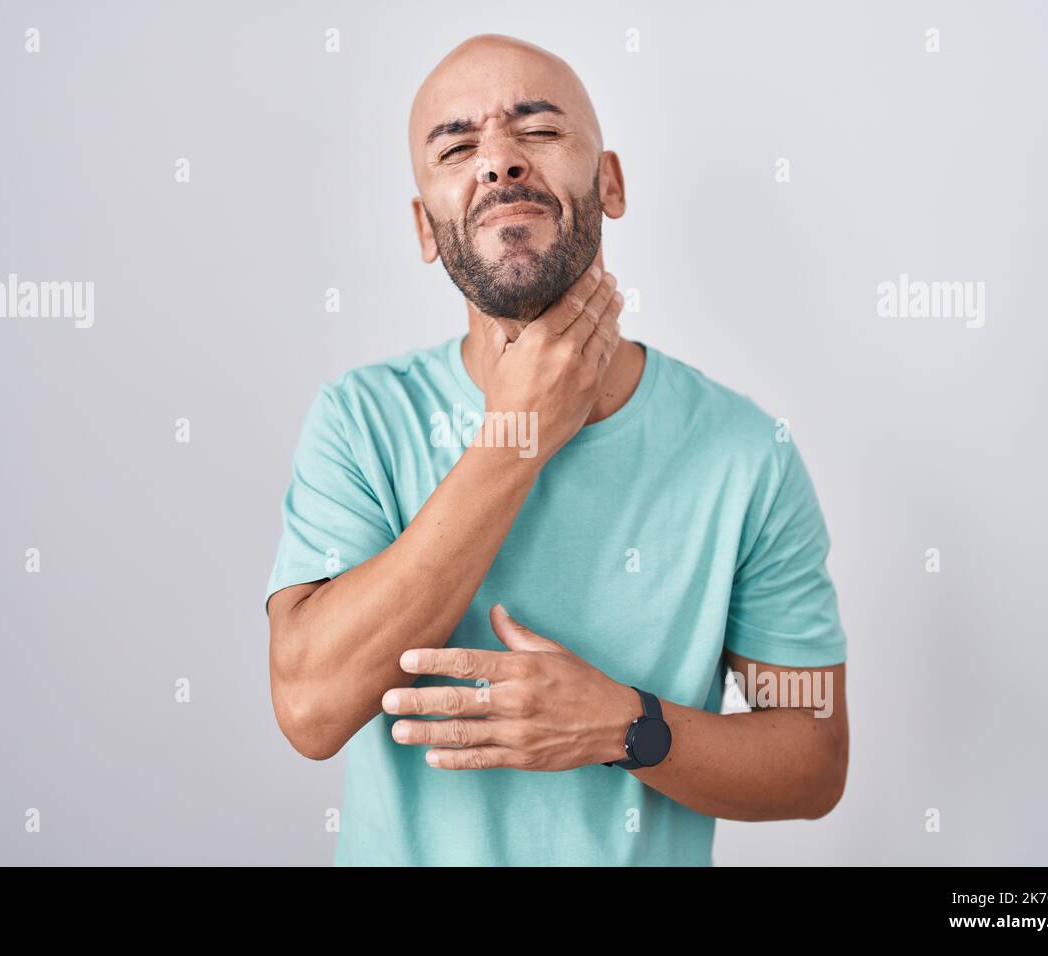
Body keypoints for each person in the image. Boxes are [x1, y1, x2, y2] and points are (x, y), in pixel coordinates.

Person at [265, 33, 849, 866]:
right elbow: (310, 709)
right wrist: (517, 436)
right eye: (458, 146)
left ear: (609, 182)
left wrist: (626, 725)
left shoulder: (745, 451)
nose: (499, 161)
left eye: (537, 131)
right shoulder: (360, 421)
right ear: (425, 226)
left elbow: (813, 762)